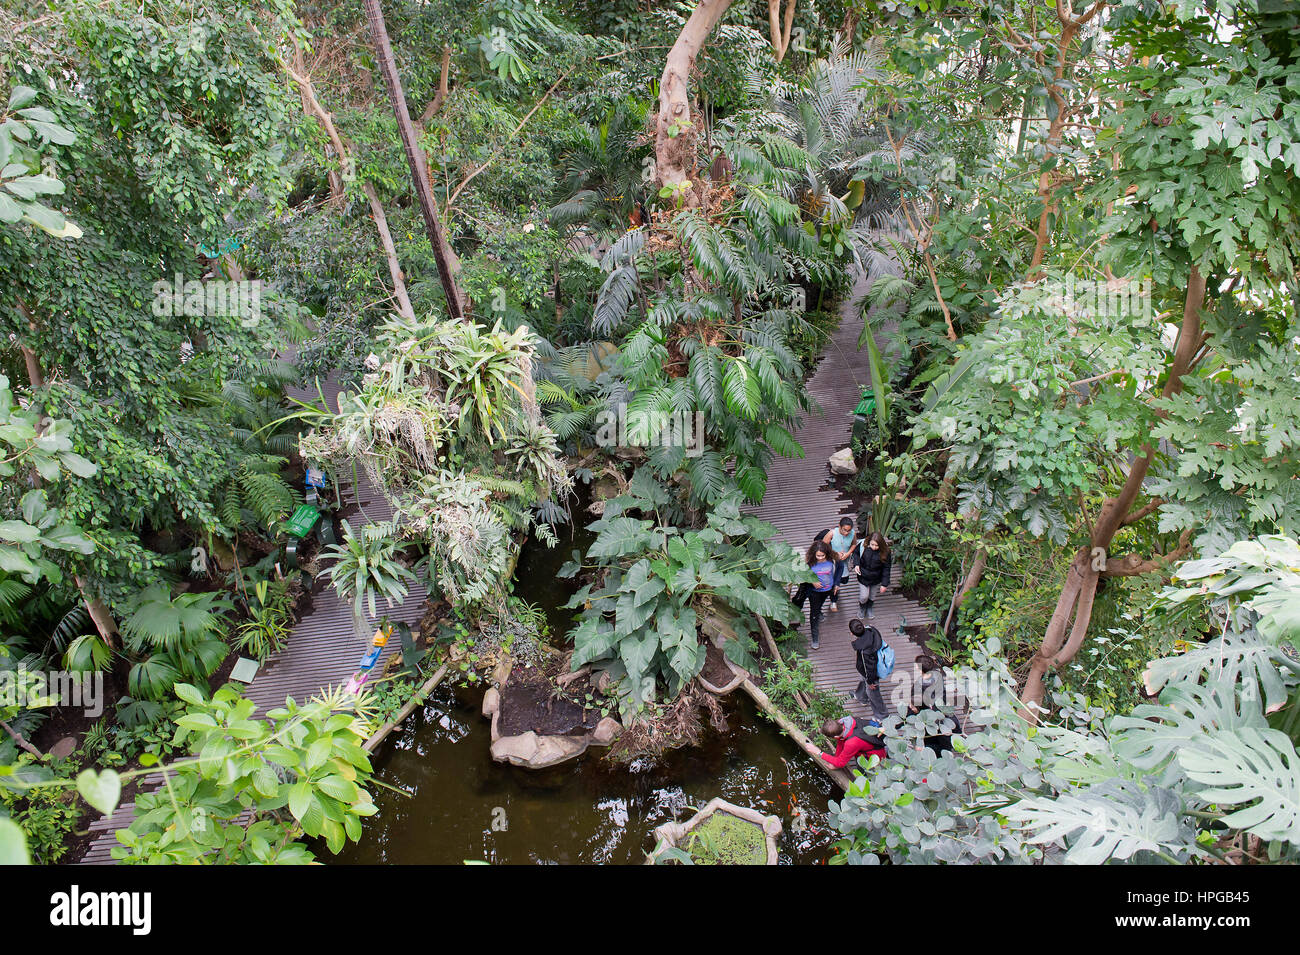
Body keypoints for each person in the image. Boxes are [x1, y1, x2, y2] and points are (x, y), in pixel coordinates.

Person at [907, 655, 963, 756]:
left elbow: (912, 710)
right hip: (945, 718)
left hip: (931, 724)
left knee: (934, 748)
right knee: (946, 746)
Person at [791, 540, 836, 650]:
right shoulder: (809, 562)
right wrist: (812, 581)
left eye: (822, 555)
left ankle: (819, 610)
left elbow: (837, 571)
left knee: (820, 605)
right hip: (814, 592)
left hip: (827, 590)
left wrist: (836, 585)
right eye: (818, 556)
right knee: (814, 613)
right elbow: (802, 574)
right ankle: (815, 637)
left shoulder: (832, 560)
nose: (820, 558)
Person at [805, 714, 887, 769]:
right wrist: (835, 761)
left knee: (866, 773)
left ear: (836, 737)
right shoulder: (844, 722)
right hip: (868, 745)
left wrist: (819, 752)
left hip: (873, 757)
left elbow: (841, 763)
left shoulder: (852, 743)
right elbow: (840, 742)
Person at [849, 618, 889, 723]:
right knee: (863, 679)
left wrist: (871, 682)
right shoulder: (872, 630)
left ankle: (882, 715)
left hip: (872, 673)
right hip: (876, 664)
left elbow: (869, 668)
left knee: (873, 693)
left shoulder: (863, 650)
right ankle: (861, 697)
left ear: (851, 633)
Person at [850, 531, 892, 620]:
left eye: (877, 546)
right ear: (869, 542)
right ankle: (862, 607)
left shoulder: (885, 552)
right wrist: (856, 564)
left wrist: (884, 584)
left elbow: (886, 568)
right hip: (863, 576)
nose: (874, 547)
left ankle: (869, 607)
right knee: (864, 596)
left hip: (876, 578)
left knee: (872, 596)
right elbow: (856, 554)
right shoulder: (862, 545)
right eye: (872, 545)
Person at [827, 517, 857, 612]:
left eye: (849, 530)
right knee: (835, 582)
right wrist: (834, 554)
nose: (846, 533)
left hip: (844, 561)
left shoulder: (853, 533)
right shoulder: (832, 533)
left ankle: (836, 588)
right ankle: (833, 601)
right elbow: (823, 546)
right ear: (839, 526)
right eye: (844, 530)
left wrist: (848, 553)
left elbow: (854, 544)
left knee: (844, 580)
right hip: (834, 562)